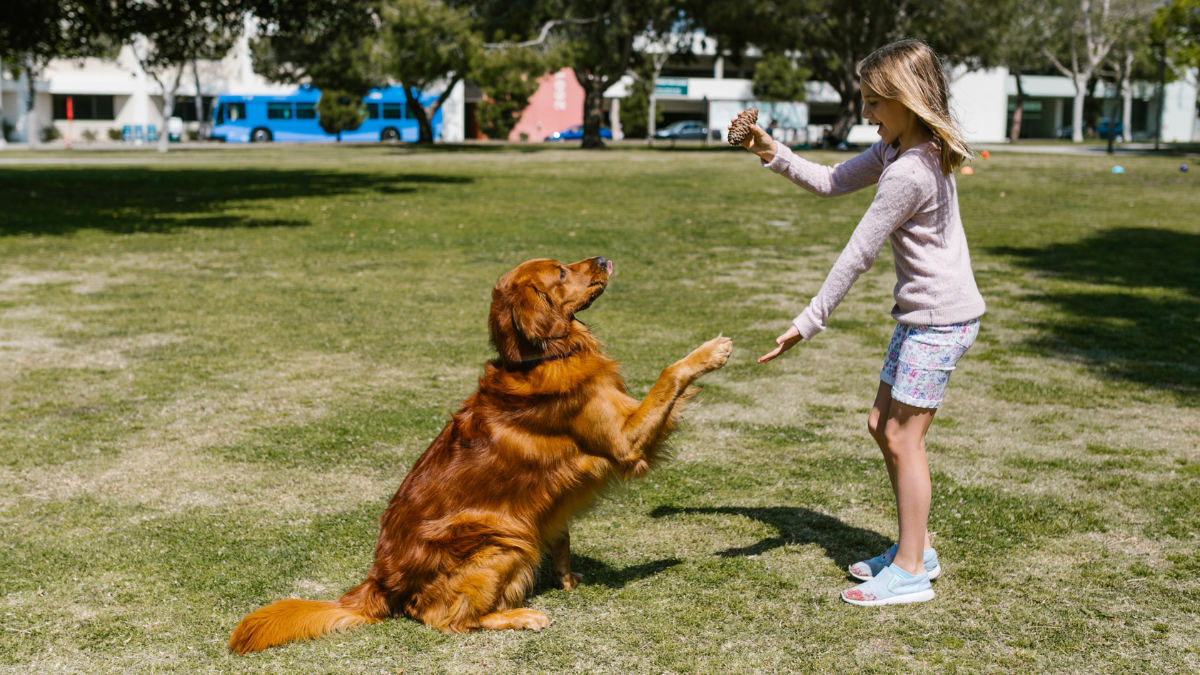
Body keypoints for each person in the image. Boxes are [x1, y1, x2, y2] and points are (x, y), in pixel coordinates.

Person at [734, 39, 985, 606]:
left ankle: (913, 569)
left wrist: (808, 321)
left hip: (940, 322)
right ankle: (914, 548)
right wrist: (767, 147)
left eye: (875, 102)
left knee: (902, 436)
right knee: (881, 424)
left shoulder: (909, 170)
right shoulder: (898, 150)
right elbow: (829, 180)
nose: (867, 113)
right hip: (923, 317)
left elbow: (858, 253)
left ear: (908, 100)